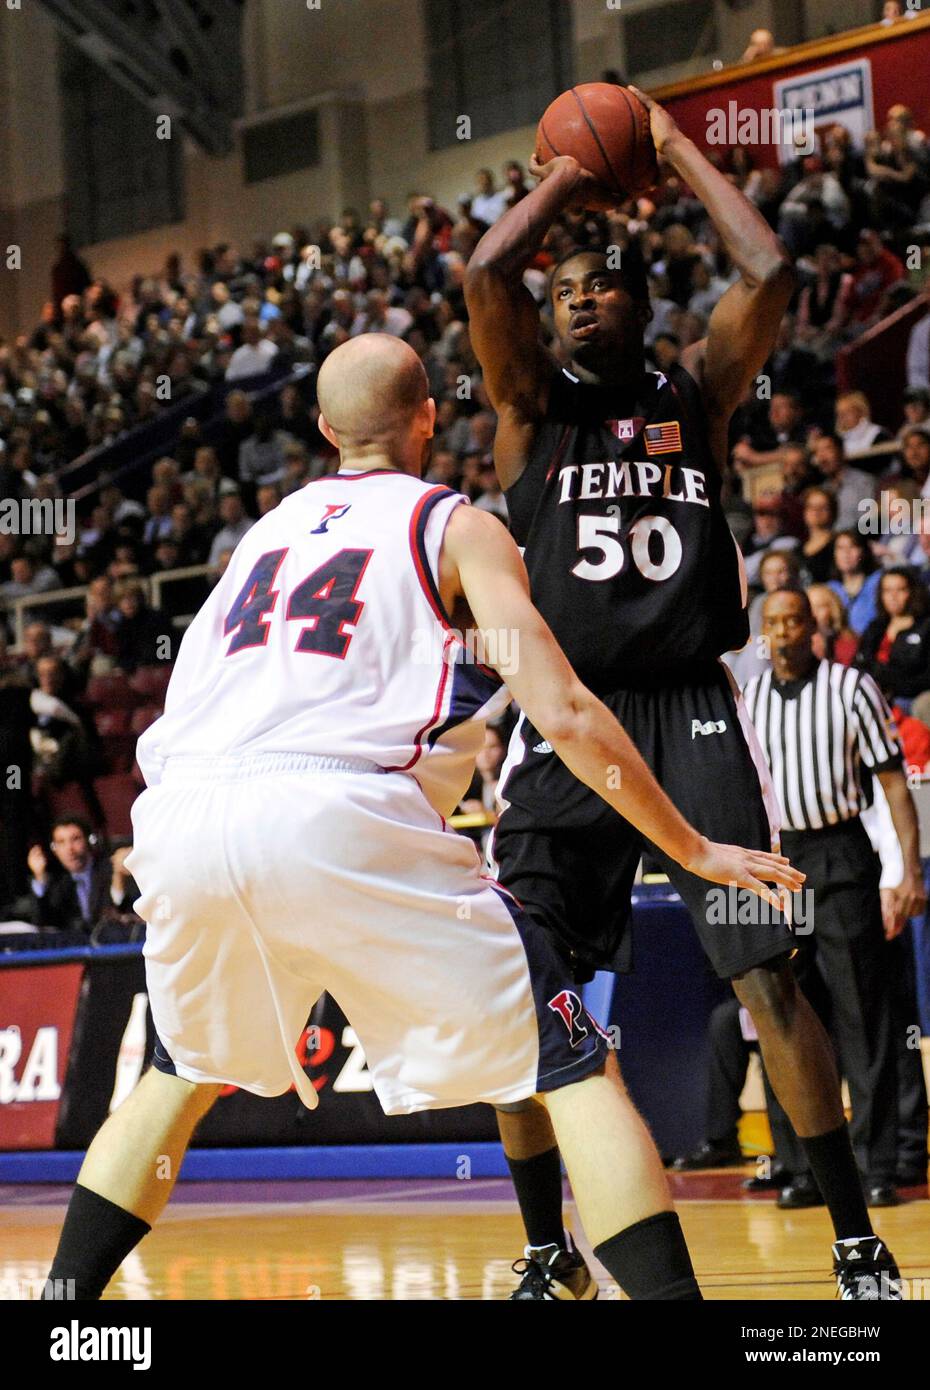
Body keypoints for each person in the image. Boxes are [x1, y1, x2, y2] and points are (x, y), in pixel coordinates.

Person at [41, 335, 800, 1304]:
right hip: (332, 806)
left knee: (172, 1078)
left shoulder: (257, 541)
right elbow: (563, 711)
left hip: (185, 816)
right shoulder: (456, 525)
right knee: (573, 1067)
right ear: (432, 417)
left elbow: (188, 704)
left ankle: (63, 1317)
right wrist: (691, 844)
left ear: (322, 432)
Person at [464, 85, 902, 1300]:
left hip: (692, 706)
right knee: (522, 990)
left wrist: (666, 147)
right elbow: (486, 276)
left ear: (643, 299)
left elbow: (767, 268)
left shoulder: (695, 397)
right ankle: (551, 1247)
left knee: (769, 971)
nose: (581, 297)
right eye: (566, 291)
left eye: (601, 281)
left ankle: (855, 1234)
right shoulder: (526, 406)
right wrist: (566, 175)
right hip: (570, 711)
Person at [744, 590, 924, 1208]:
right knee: (784, 1016)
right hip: (779, 862)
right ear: (762, 632)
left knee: (862, 1019)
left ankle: (876, 1166)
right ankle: (801, 1168)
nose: (783, 632)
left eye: (793, 620)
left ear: (813, 626)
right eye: (772, 623)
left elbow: (895, 786)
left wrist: (908, 873)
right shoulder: (748, 697)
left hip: (842, 853)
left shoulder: (851, 688)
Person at [856, 566, 930, 709]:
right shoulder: (875, 627)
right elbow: (860, 662)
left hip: (908, 698)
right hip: (872, 694)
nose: (893, 596)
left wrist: (892, 684)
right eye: (887, 590)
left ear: (913, 592)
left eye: (900, 590)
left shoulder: (926, 627)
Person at [27, 817, 111, 933]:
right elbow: (42, 922)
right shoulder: (56, 882)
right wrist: (40, 877)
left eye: (75, 839)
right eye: (61, 842)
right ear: (54, 849)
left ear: (90, 841)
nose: (69, 849)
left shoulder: (109, 871)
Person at [828, 530, 882, 635]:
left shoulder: (879, 582)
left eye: (852, 547)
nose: (846, 553)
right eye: (840, 548)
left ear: (864, 551)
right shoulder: (830, 589)